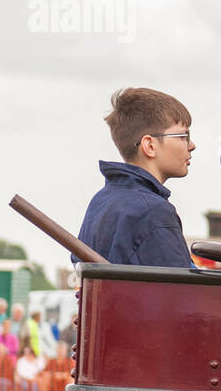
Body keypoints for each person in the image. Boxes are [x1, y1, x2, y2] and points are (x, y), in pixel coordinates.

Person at [76, 88, 196, 267]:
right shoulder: (154, 212)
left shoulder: (99, 202)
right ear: (149, 145)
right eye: (183, 136)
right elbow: (184, 289)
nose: (192, 145)